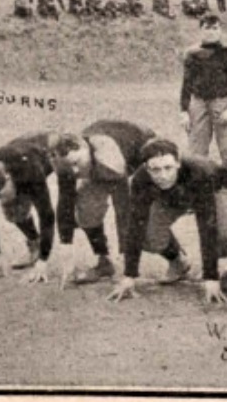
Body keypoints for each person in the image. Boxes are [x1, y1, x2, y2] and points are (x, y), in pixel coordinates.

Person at [108, 139, 227, 305]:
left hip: (216, 188)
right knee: (150, 235)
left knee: (222, 236)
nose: (163, 176)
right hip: (172, 195)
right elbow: (136, 225)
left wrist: (211, 277)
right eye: (155, 170)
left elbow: (207, 226)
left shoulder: (199, 172)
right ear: (146, 168)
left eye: (168, 168)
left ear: (178, 163)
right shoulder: (140, 180)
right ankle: (178, 263)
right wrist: (129, 276)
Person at [48, 120, 157, 286]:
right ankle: (104, 262)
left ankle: (177, 260)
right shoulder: (66, 164)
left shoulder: (109, 159)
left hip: (140, 151)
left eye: (76, 163)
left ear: (82, 147)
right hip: (97, 163)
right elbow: (65, 204)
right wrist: (67, 256)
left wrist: (126, 270)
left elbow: (123, 209)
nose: (75, 171)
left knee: (146, 221)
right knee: (87, 211)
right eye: (70, 167)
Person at [0, 132, 57, 282]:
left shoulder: (31, 171)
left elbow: (47, 215)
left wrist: (43, 262)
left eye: (0, 195)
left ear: (7, 178)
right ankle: (35, 244)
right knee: (13, 211)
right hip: (21, 150)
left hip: (46, 151)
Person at [179, 14, 227, 167]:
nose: (211, 32)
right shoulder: (192, 54)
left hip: (222, 102)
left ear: (220, 30)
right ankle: (200, 187)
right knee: (196, 150)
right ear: (201, 30)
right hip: (198, 103)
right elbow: (186, 84)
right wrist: (183, 111)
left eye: (215, 28)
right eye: (207, 28)